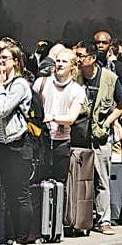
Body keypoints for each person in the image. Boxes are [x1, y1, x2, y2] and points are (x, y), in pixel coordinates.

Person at [74, 40, 122, 235]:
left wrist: (108, 122)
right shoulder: (74, 77)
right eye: (76, 56)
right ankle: (79, 218)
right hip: (78, 136)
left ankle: (104, 219)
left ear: (93, 58)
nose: (77, 60)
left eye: (81, 56)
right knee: (79, 179)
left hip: (100, 136)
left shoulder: (110, 78)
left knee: (101, 179)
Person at [0, 44, 33, 245]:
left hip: (19, 144)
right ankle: (14, 240)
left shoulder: (19, 85)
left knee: (21, 194)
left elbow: (4, 109)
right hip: (4, 144)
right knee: (10, 193)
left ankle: (22, 241)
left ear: (16, 61)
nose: (1, 62)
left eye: (5, 58)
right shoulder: (6, 84)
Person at [33, 48, 87, 183]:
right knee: (38, 181)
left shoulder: (77, 90)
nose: (60, 64)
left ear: (73, 67)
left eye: (64, 61)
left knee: (60, 182)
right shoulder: (41, 83)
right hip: (41, 139)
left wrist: (53, 117)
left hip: (62, 142)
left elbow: (71, 118)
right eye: (58, 61)